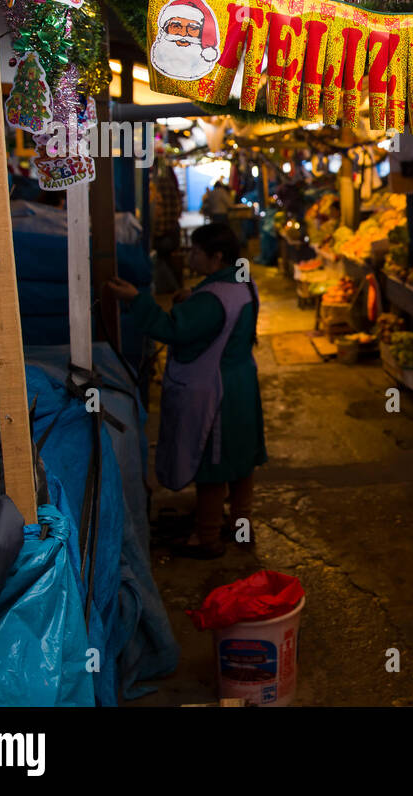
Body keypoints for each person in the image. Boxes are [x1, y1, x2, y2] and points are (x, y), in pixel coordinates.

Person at [104, 224, 266, 558]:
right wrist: (193, 297)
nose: (189, 255)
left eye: (195, 251)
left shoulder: (211, 299)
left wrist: (137, 301)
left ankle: (206, 539)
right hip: (242, 384)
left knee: (213, 464)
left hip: (215, 391)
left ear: (216, 256)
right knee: (241, 460)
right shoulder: (243, 282)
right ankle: (241, 525)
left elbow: (172, 329)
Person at [151, 161, 184, 291]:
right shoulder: (170, 185)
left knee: (162, 259)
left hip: (164, 233)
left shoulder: (157, 186)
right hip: (172, 231)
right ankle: (173, 286)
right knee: (167, 260)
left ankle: (171, 287)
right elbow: (177, 209)